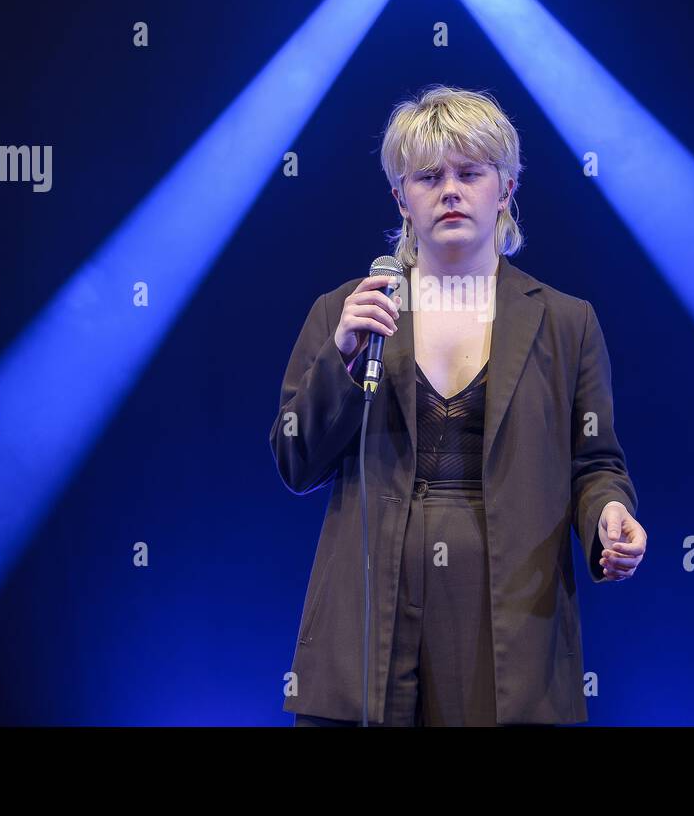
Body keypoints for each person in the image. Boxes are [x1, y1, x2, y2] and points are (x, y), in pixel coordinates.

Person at [270, 85, 646, 726]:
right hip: (369, 602)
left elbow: (596, 462)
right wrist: (340, 355)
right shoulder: (348, 309)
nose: (450, 190)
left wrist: (611, 512)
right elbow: (295, 460)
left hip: (507, 604)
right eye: (428, 176)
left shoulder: (565, 322)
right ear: (400, 197)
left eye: (470, 173)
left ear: (505, 189)